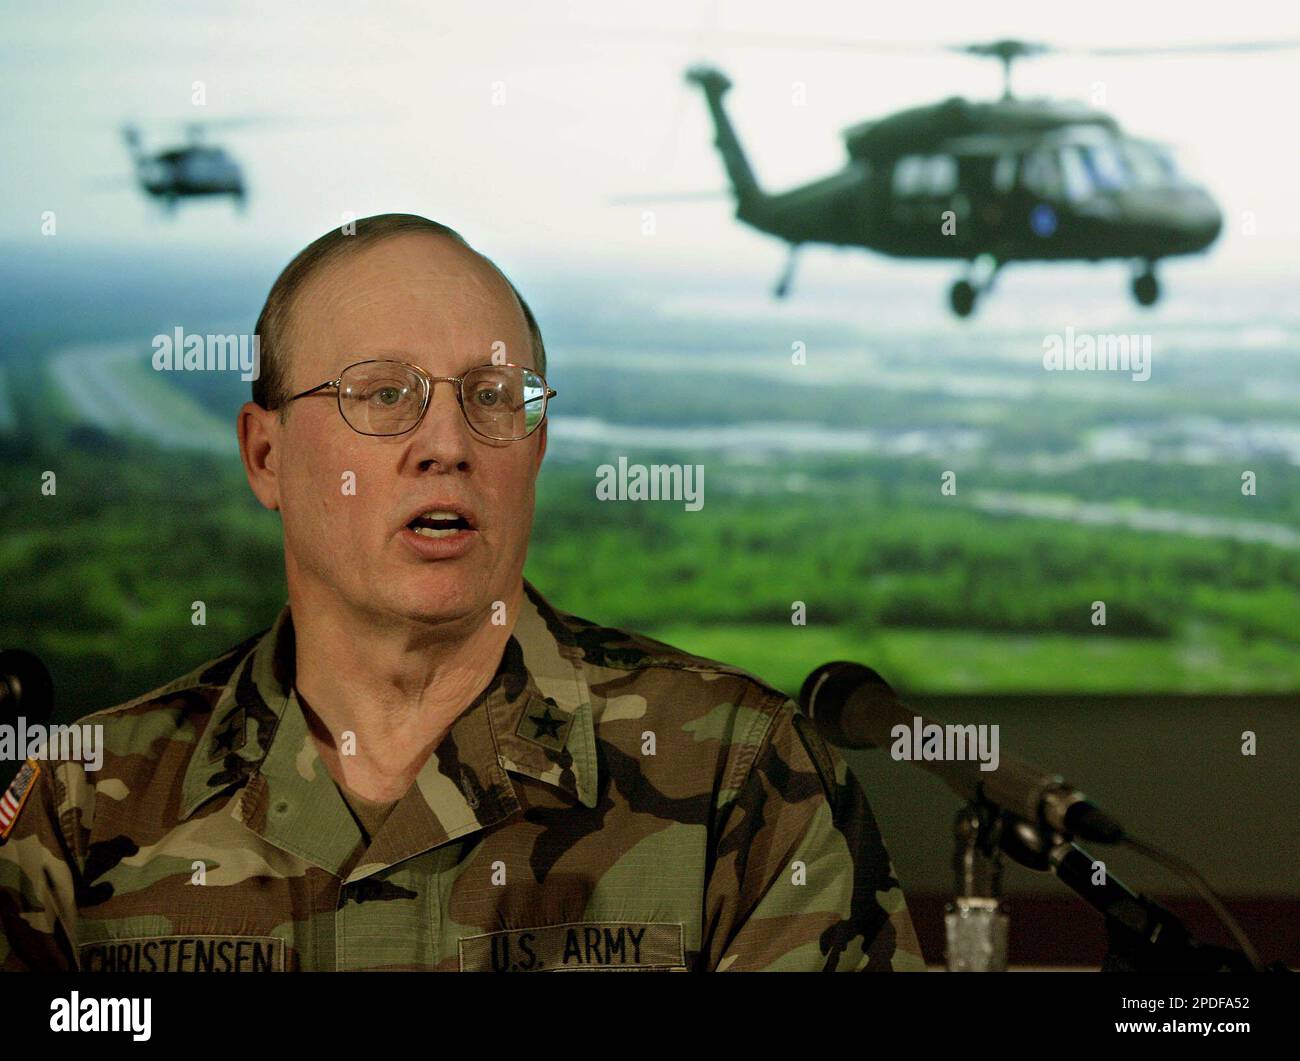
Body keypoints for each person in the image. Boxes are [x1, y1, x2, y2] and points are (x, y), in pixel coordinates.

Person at [0, 213, 925, 972]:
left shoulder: (744, 777)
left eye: (492, 395)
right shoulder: (86, 803)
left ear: (535, 450)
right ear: (266, 455)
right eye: (384, 393)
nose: (446, 442)